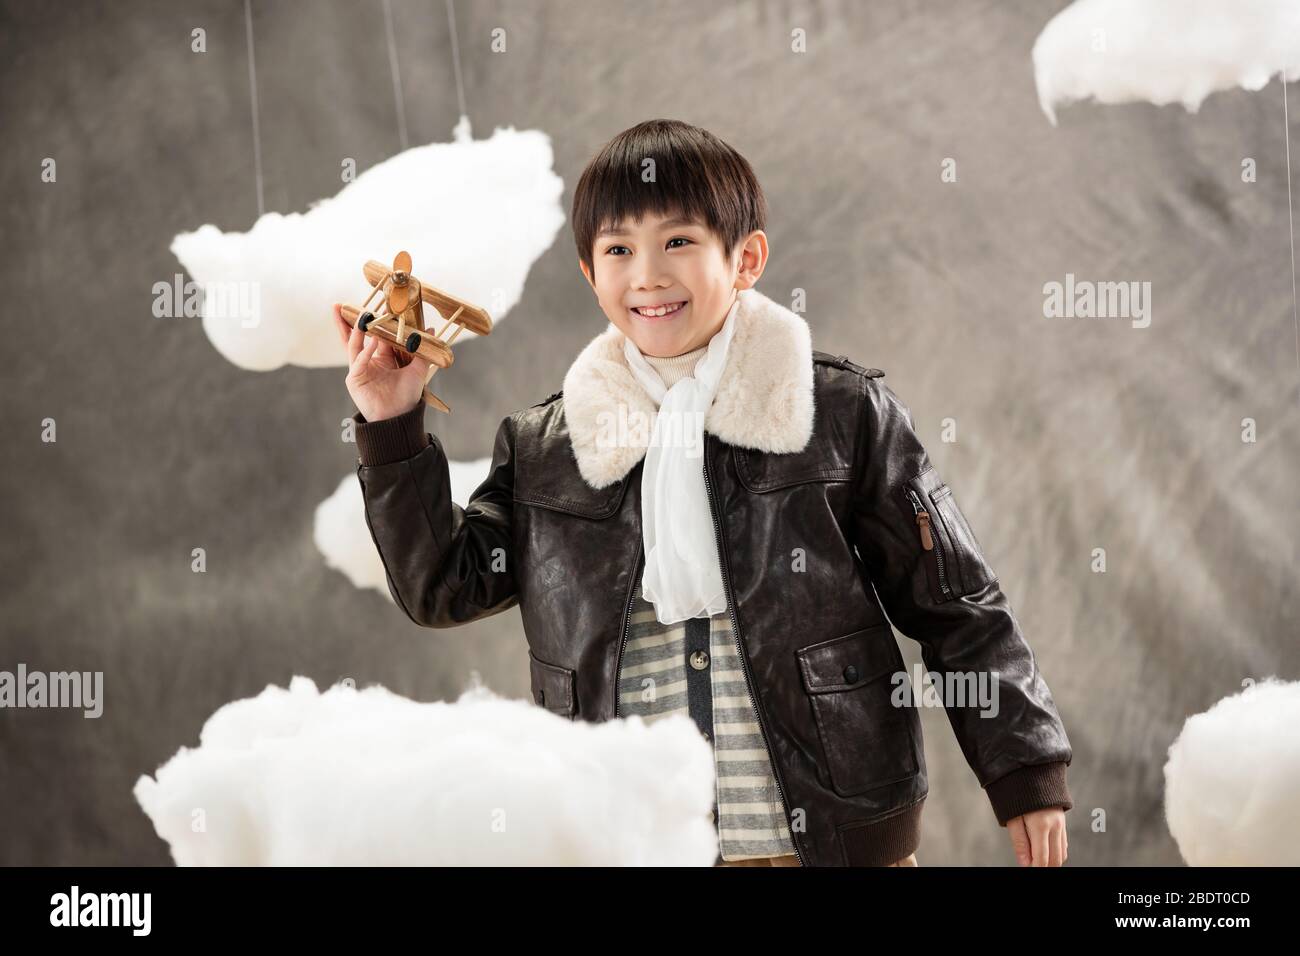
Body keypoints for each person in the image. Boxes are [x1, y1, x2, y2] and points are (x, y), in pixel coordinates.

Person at [333, 119, 1072, 867]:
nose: (647, 275)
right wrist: (392, 424)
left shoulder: (837, 414)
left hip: (835, 842)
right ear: (591, 275)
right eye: (619, 250)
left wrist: (1025, 770)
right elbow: (443, 588)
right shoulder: (547, 447)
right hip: (631, 842)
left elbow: (956, 603)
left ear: (745, 258)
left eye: (678, 242)